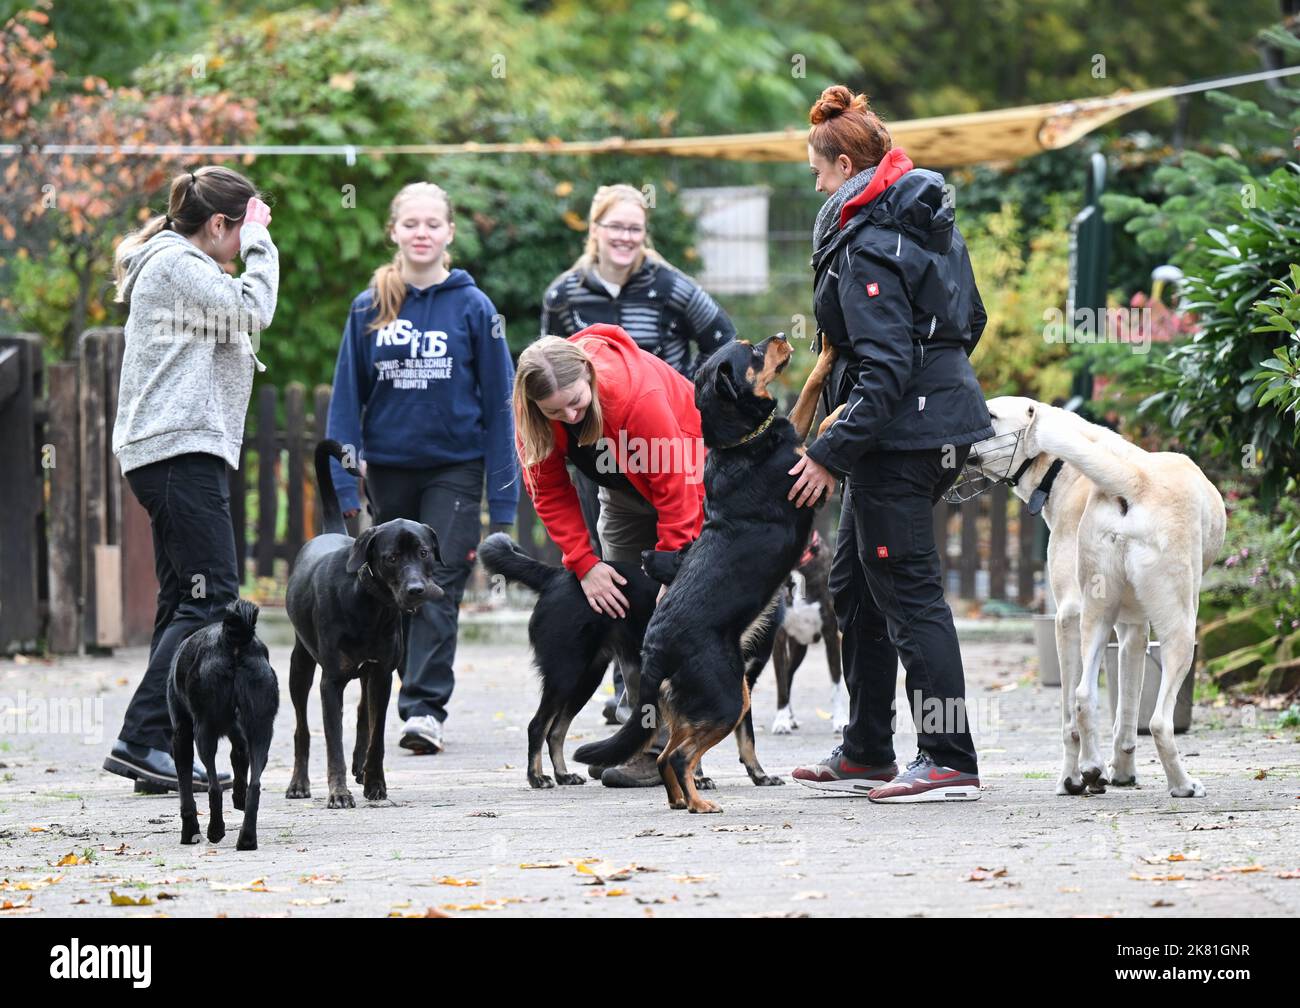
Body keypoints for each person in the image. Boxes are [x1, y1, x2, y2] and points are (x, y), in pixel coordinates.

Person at [788, 86, 994, 803]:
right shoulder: (923, 224)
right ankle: (867, 750)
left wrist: (826, 450)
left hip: (902, 440)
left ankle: (948, 757)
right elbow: (971, 319)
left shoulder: (873, 241)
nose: (813, 182)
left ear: (844, 165)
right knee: (853, 585)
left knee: (908, 592)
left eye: (817, 169)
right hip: (917, 429)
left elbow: (885, 369)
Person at [327, 181, 517, 757]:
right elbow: (344, 401)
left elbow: (502, 405)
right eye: (411, 223)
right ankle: (392, 687)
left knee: (437, 582)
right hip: (388, 470)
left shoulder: (474, 307)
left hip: (455, 470)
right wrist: (344, 481)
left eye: (433, 223)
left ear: (449, 233)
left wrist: (503, 501)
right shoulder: (369, 306)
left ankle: (424, 707)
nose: (422, 233)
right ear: (394, 231)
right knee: (390, 585)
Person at [103, 166, 277, 793]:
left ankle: (160, 748)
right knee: (212, 599)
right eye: (246, 227)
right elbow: (254, 310)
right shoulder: (180, 265)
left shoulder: (184, 266)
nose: (251, 241)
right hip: (178, 452)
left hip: (173, 452)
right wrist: (262, 245)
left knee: (184, 599)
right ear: (220, 225)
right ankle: (142, 739)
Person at [541, 183, 736, 722]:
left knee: (674, 587)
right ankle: (633, 710)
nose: (625, 237)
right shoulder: (565, 294)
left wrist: (694, 398)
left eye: (635, 228)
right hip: (600, 460)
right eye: (615, 226)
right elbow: (547, 373)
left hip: (664, 438)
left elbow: (724, 340)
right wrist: (581, 563)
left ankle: (674, 716)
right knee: (616, 580)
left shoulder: (671, 288)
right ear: (595, 231)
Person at [513, 324, 705, 787]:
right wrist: (585, 564)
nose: (571, 415)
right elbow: (550, 492)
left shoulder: (637, 397)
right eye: (555, 411)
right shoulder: (536, 418)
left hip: (685, 477)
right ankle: (635, 743)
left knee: (674, 624)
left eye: (577, 402)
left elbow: (678, 490)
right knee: (624, 614)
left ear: (589, 376)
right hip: (620, 488)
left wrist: (672, 574)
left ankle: (667, 752)